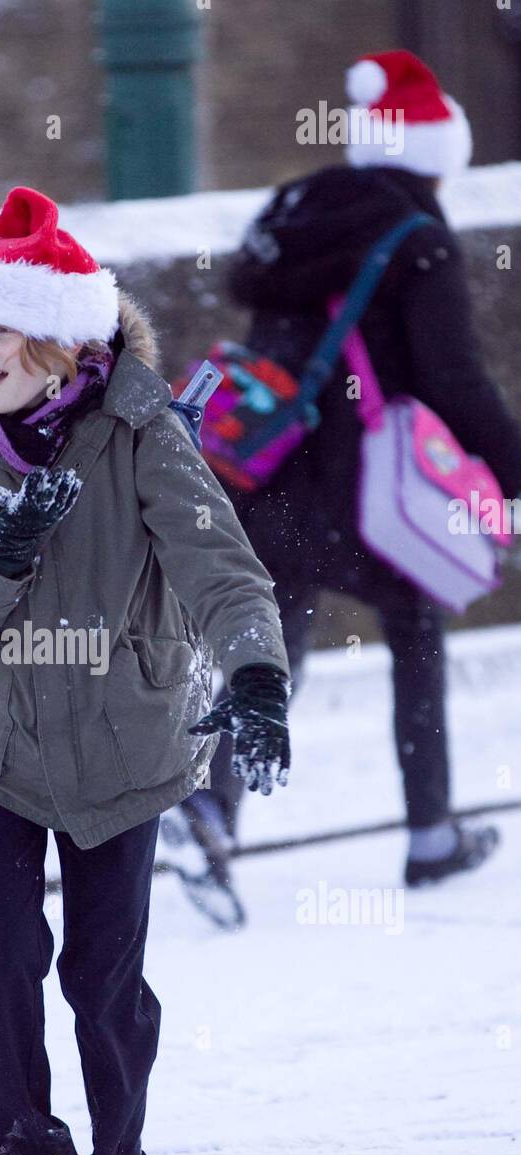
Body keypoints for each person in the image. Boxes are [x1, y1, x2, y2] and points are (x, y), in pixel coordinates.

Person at [0, 185, 291, 1155]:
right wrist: (3, 552)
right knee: (3, 963)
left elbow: (222, 568)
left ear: (62, 338)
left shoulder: (141, 430)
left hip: (123, 748)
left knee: (105, 980)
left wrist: (256, 670)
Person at [182, 50, 521, 914]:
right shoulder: (419, 240)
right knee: (414, 623)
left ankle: (214, 816)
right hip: (370, 490)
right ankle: (431, 836)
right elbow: (455, 381)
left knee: (272, 637)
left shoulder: (301, 209)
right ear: (436, 156)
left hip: (265, 470)